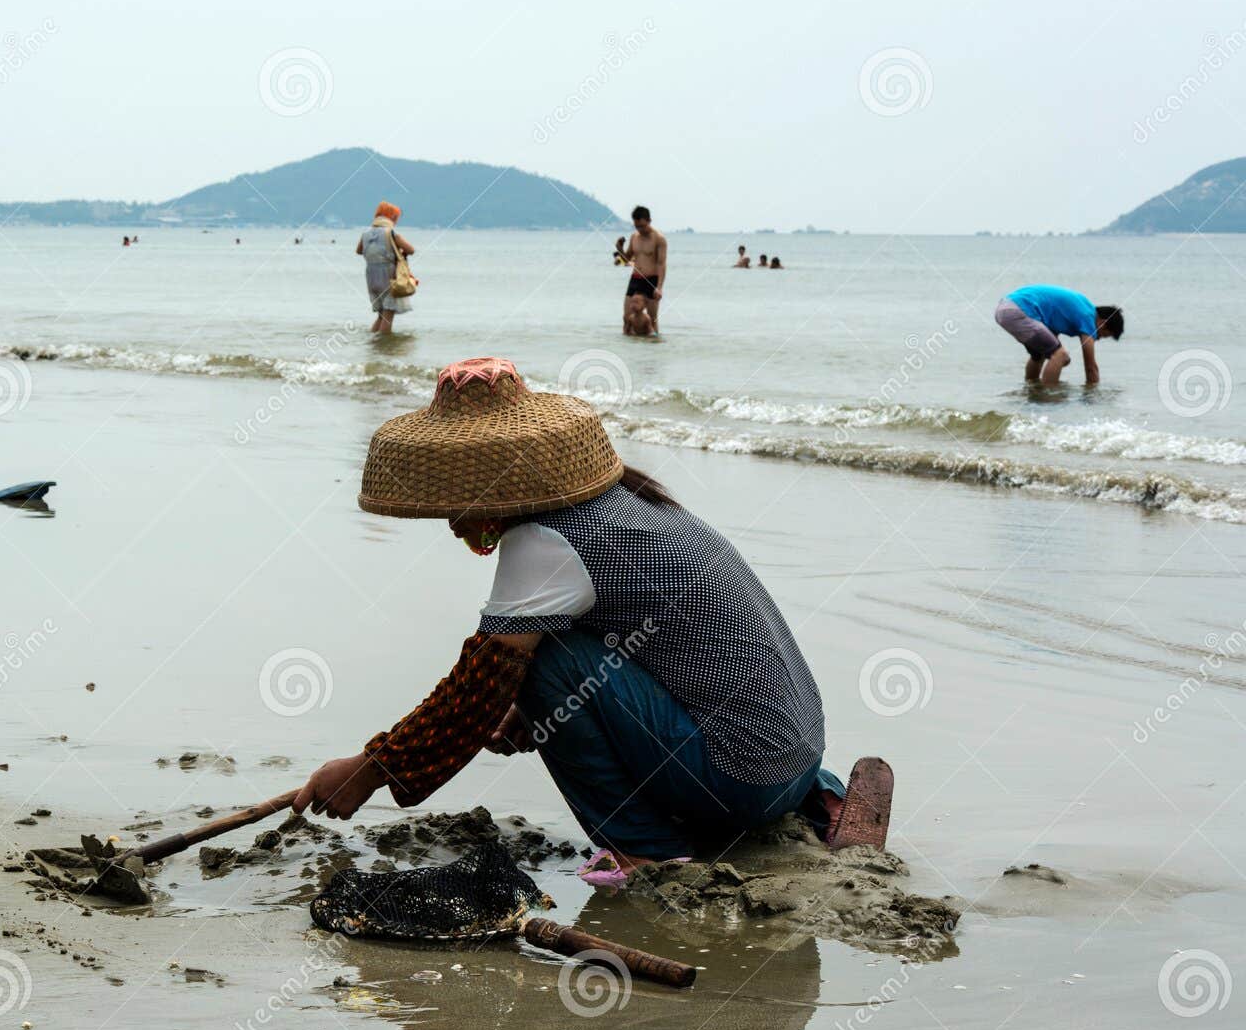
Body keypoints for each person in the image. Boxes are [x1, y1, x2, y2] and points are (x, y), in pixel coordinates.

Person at [294, 357, 892, 882]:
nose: (451, 517)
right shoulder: (634, 506)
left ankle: (644, 849)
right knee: (538, 663)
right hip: (799, 759)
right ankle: (820, 803)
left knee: (535, 664)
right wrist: (528, 713)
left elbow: (474, 690)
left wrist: (370, 769)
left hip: (741, 780)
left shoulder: (545, 542)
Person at [994, 284, 1123, 385]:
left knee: (1039, 355)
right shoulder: (1088, 317)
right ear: (1103, 323)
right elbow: (1091, 367)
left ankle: (1032, 391)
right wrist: (1093, 397)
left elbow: (1050, 337)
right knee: (1061, 356)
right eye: (1103, 335)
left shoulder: (1081, 308)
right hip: (1019, 310)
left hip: (1005, 307)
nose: (1097, 339)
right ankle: (1048, 400)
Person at [356, 201, 415, 334]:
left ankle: (373, 343)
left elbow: (359, 251)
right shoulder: (392, 233)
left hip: (371, 277)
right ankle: (383, 345)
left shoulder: (366, 234)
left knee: (381, 314)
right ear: (392, 217)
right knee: (388, 314)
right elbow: (411, 250)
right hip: (388, 277)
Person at [618, 205, 666, 336]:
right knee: (626, 316)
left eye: (642, 226)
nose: (640, 229)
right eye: (637, 226)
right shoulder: (634, 237)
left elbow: (661, 264)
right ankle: (629, 347)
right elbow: (626, 259)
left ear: (649, 221)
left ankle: (654, 348)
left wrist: (659, 287)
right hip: (635, 279)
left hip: (651, 280)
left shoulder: (659, 239)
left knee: (652, 318)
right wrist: (619, 248)